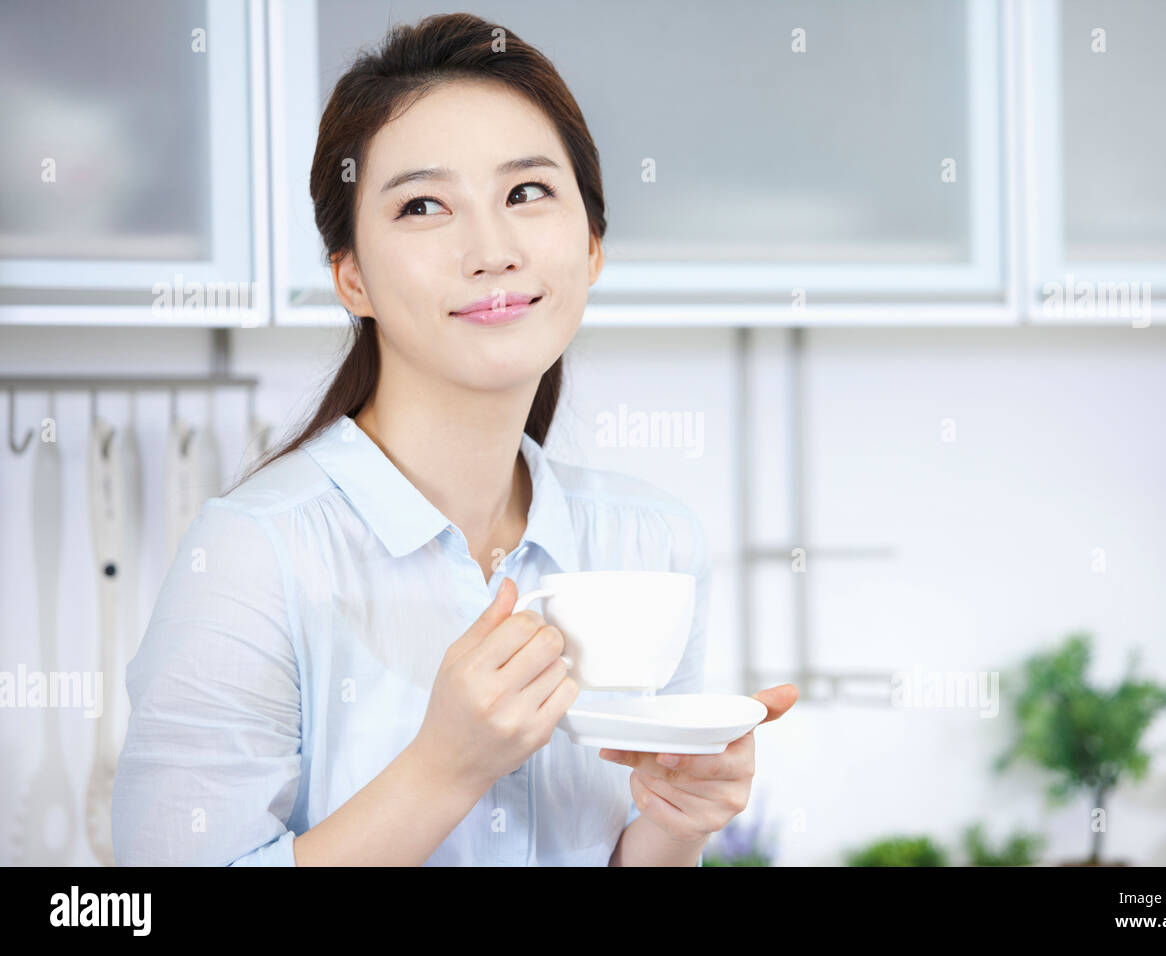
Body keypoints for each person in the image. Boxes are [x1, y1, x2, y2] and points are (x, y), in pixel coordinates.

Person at [112, 12, 797, 867]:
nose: (491, 249)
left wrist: (672, 825)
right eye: (424, 205)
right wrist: (444, 769)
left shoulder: (649, 544)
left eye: (526, 192)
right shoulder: (257, 554)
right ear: (351, 276)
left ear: (591, 247)